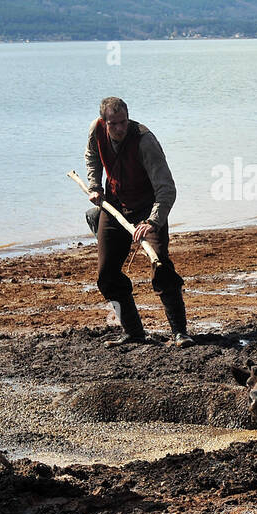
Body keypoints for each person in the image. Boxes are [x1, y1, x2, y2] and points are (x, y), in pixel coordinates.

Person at [84, 97, 193, 348]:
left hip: (148, 209)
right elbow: (92, 156)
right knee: (106, 275)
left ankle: (180, 332)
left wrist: (153, 222)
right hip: (115, 206)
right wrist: (94, 185)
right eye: (114, 124)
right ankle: (133, 332)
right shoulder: (96, 130)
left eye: (123, 122)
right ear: (104, 122)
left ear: (128, 117)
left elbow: (166, 189)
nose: (120, 128)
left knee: (161, 265)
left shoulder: (145, 141)